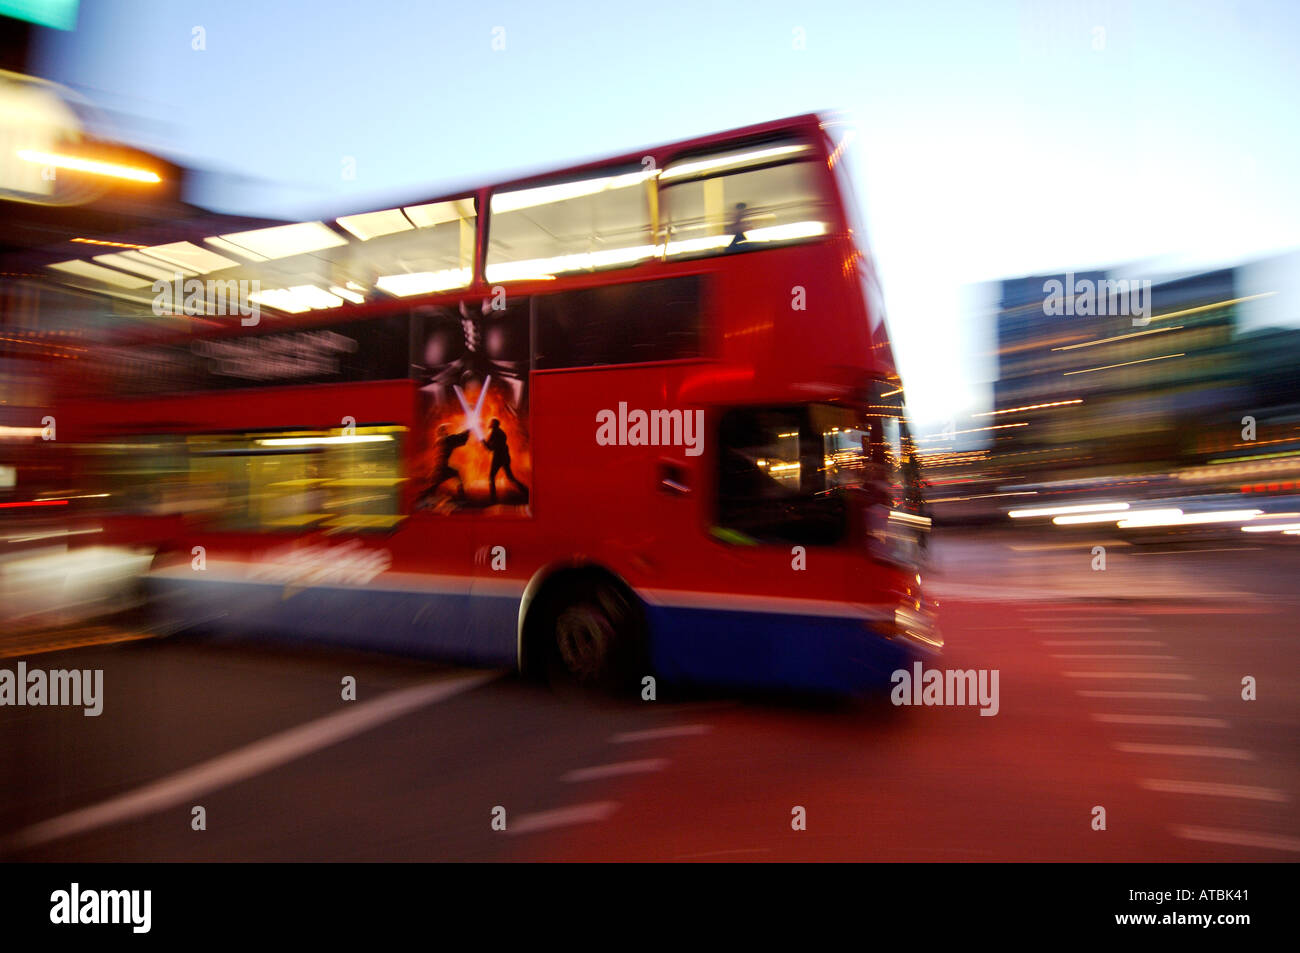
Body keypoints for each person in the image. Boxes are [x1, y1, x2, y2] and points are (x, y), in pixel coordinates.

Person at [418, 424, 470, 505]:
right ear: (442, 432)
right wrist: (468, 430)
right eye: (445, 430)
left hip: (439, 467)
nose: (447, 431)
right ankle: (462, 498)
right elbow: (459, 438)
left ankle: (461, 497)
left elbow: (457, 439)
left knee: (434, 485)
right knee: (434, 486)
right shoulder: (446, 440)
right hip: (442, 468)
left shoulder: (439, 440)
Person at [482, 418, 528, 504]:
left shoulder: (495, 433)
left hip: (499, 457)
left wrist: (483, 442)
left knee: (492, 477)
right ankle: (526, 491)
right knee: (510, 477)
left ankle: (493, 498)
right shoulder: (500, 432)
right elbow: (492, 447)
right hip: (505, 457)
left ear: (494, 424)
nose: (489, 424)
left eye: (491, 423)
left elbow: (490, 448)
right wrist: (485, 443)